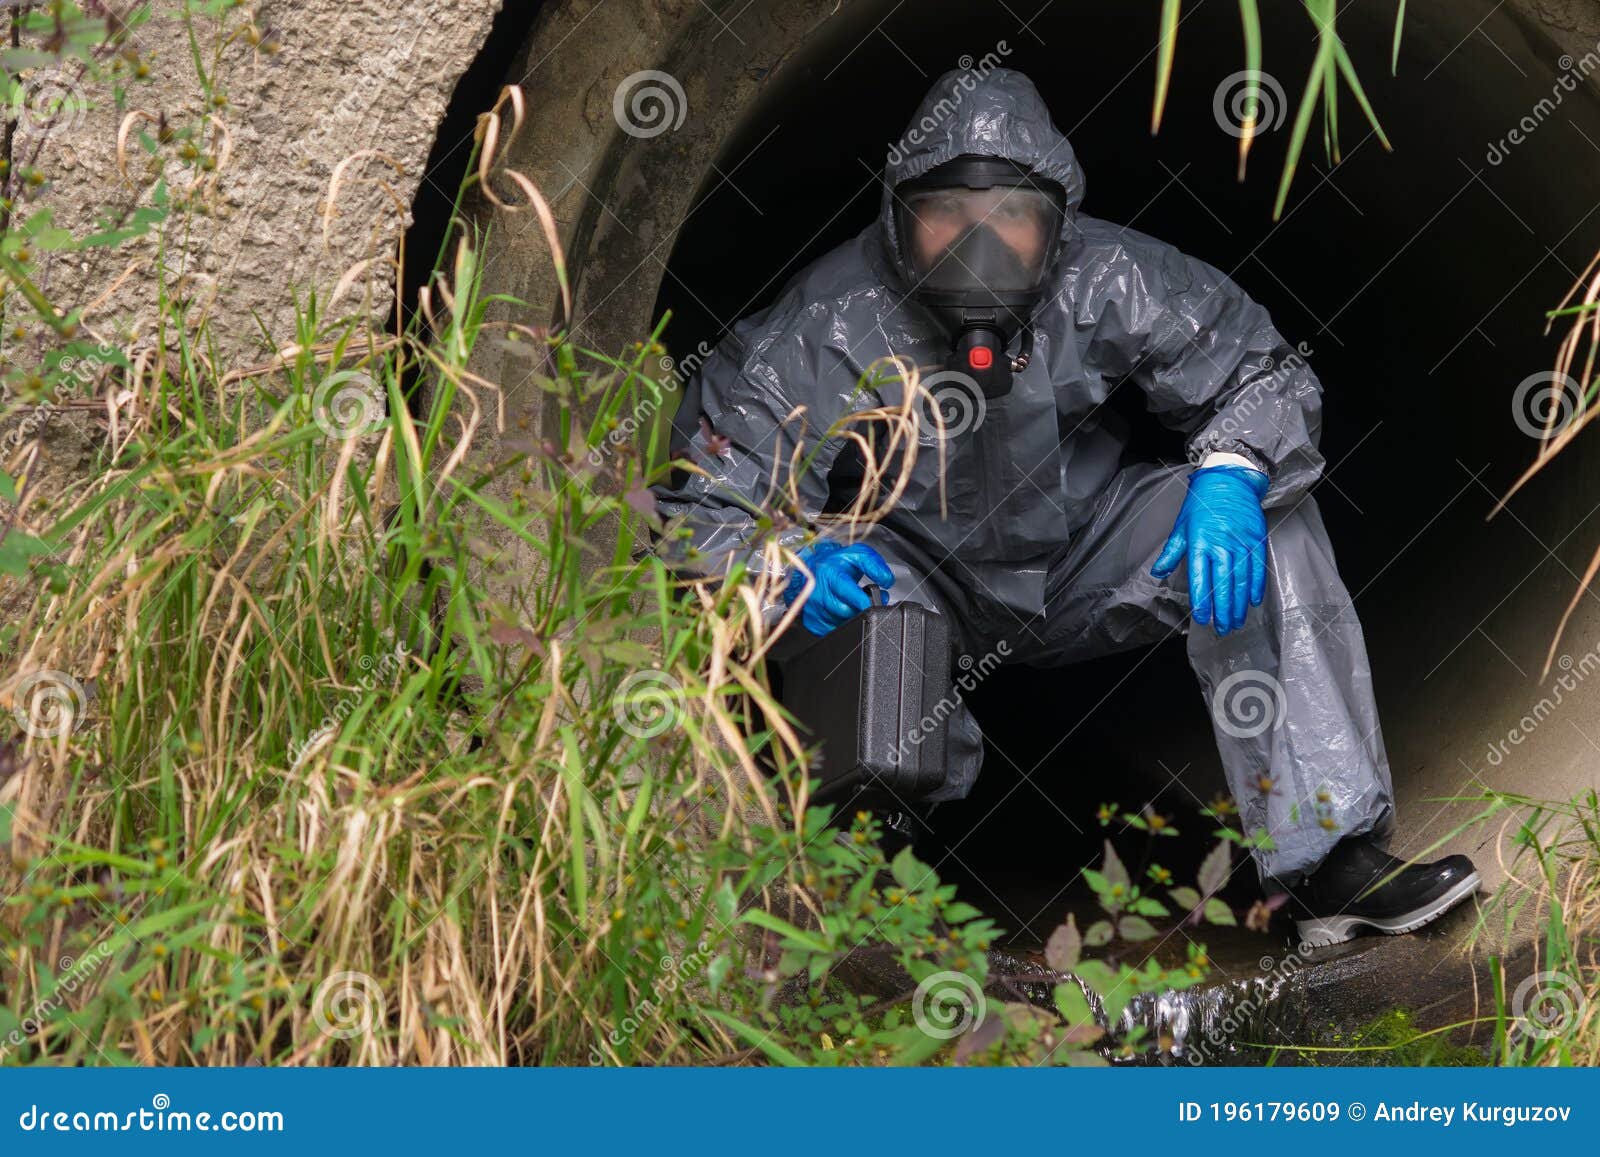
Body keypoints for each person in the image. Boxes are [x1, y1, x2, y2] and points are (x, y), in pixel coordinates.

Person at [652, 68, 1479, 947]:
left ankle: (1329, 864)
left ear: (1057, 224)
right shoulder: (827, 319)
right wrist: (781, 561)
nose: (982, 247)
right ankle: (863, 889)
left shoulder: (1107, 274)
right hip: (908, 568)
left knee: (1269, 520)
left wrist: (1232, 472)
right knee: (874, 625)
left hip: (1084, 555)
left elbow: (1257, 368)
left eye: (1011, 216)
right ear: (899, 216)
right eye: (948, 217)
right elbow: (707, 494)